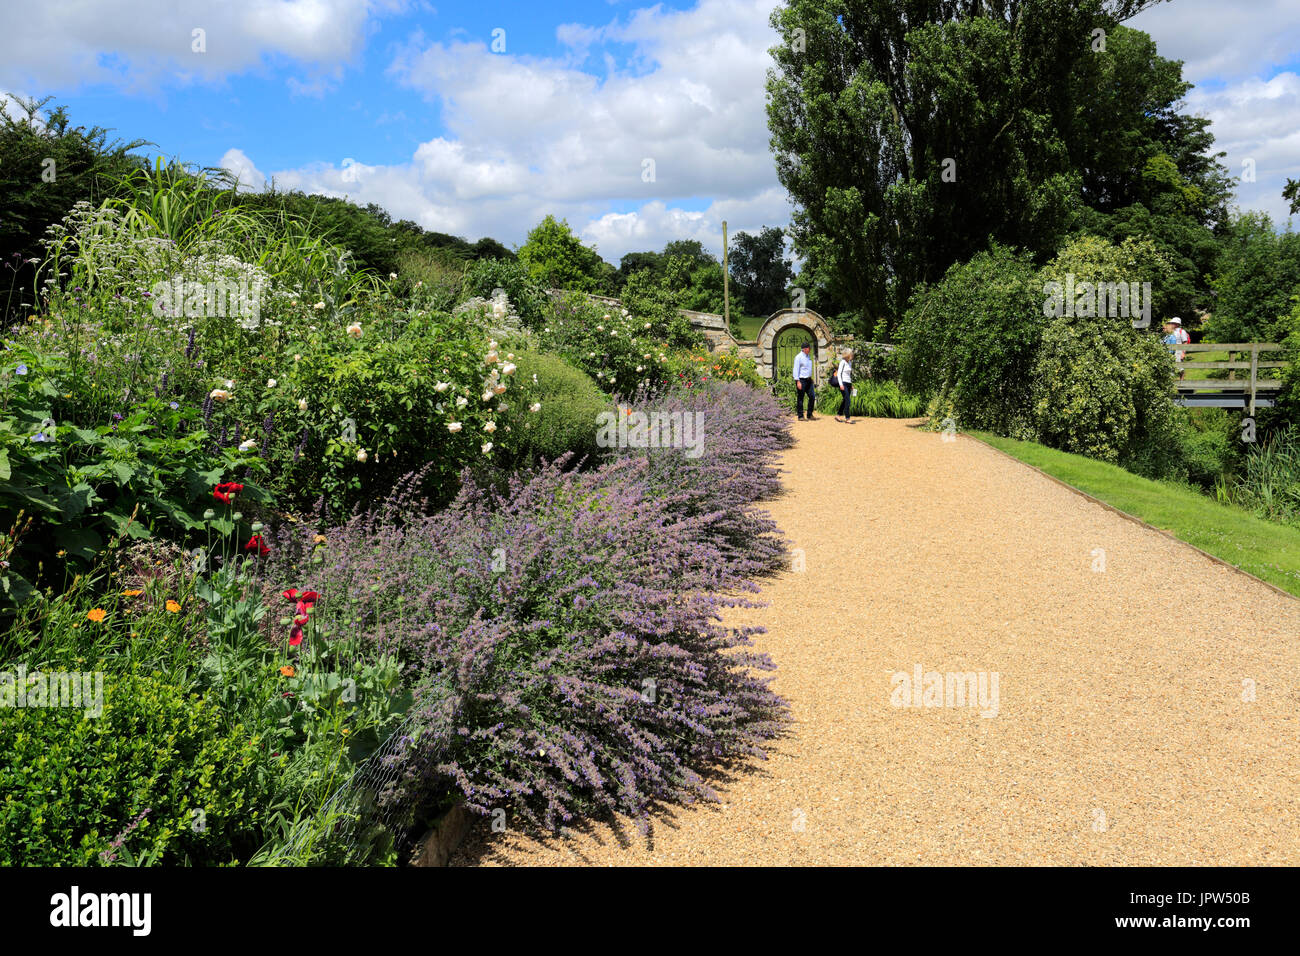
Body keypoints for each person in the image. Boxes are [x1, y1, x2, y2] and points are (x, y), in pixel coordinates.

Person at [793, 342, 816, 420]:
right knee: (800, 398)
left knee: (812, 397)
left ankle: (809, 414)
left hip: (809, 380)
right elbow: (795, 369)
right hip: (801, 380)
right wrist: (797, 381)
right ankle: (800, 416)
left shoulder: (808, 356)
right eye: (809, 348)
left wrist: (811, 378)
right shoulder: (798, 357)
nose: (810, 350)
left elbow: (808, 369)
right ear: (805, 349)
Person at [835, 348, 854, 422]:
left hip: (848, 383)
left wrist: (851, 384)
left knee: (845, 400)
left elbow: (849, 375)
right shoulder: (842, 362)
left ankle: (838, 415)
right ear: (848, 354)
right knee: (847, 401)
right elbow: (839, 374)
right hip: (843, 383)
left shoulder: (849, 362)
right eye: (851, 353)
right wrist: (841, 384)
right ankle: (847, 418)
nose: (852, 355)